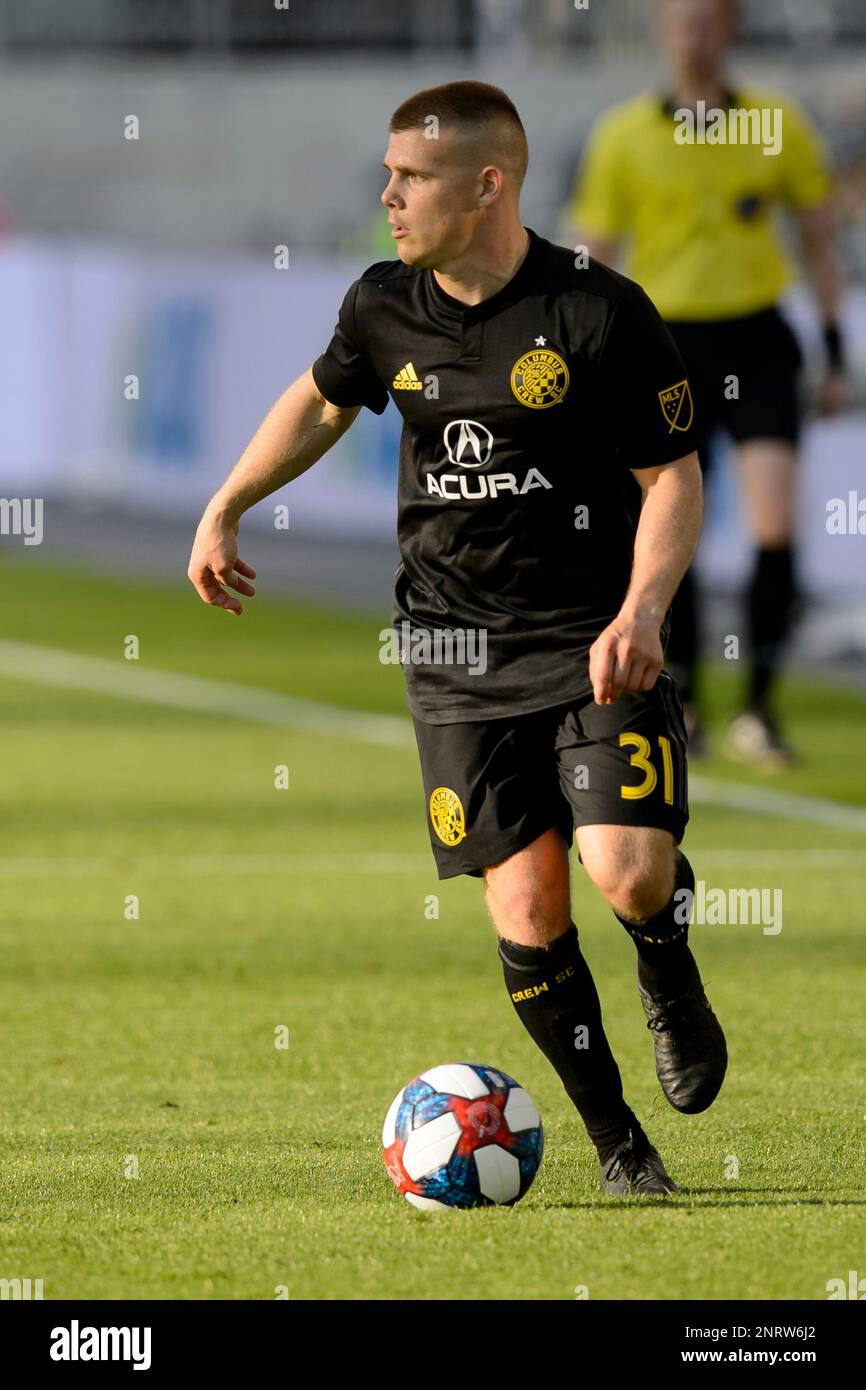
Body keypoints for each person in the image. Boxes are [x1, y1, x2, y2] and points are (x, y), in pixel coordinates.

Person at [188, 80, 727, 1197]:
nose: (386, 195)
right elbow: (323, 400)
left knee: (626, 876)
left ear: (486, 186)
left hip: (589, 637)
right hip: (448, 651)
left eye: (411, 178)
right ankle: (621, 1145)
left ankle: (666, 968)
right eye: (387, 174)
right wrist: (229, 498)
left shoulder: (597, 312)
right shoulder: (382, 303)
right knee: (529, 913)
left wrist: (641, 612)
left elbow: (671, 476)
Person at [568, 0, 847, 766]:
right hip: (666, 345)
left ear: (730, 32)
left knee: (774, 524)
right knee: (673, 520)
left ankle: (760, 704)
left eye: (708, 22)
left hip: (758, 340)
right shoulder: (623, 134)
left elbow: (818, 237)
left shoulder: (777, 123)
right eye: (681, 21)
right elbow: (596, 252)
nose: (693, 35)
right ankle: (684, 700)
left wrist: (832, 346)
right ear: (665, 31)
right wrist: (590, 355)